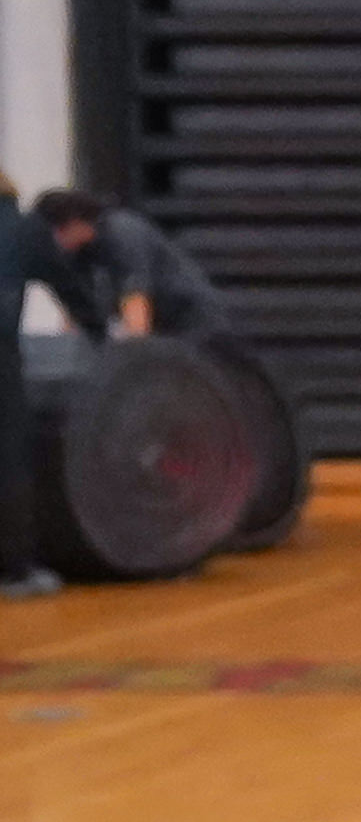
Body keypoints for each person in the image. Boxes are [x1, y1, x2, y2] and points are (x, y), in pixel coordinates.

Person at [31, 188, 231, 339]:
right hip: (160, 326)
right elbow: (77, 304)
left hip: (190, 322)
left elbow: (136, 300)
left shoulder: (122, 233)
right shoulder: (79, 253)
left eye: (55, 234)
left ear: (72, 224)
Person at [0, 177, 61, 599]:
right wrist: (97, 330)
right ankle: (14, 571)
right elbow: (64, 281)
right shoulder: (23, 228)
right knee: (9, 460)